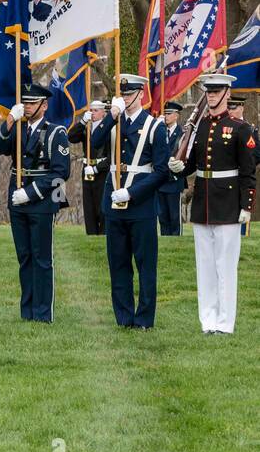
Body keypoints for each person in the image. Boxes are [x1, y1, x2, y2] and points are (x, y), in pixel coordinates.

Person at [170, 74, 257, 333]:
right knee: (205, 267)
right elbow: (192, 163)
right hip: (203, 202)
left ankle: (225, 323)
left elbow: (248, 171)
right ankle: (207, 320)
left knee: (226, 267)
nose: (210, 95)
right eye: (208, 90)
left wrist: (246, 206)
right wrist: (178, 167)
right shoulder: (200, 126)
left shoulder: (241, 128)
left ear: (227, 93)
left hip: (229, 203)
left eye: (216, 90)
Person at [90, 75, 170, 329]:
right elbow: (94, 143)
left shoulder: (154, 126)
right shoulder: (114, 122)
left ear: (141, 94)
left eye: (129, 93)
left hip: (141, 206)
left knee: (145, 265)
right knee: (118, 264)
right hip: (113, 203)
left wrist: (133, 193)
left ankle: (144, 318)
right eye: (122, 94)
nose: (125, 97)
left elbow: (161, 172)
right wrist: (112, 114)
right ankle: (124, 317)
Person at [0, 82, 71, 323]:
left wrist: (31, 192)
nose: (26, 107)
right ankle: (27, 311)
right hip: (16, 199)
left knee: (42, 258)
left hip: (42, 201)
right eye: (24, 103)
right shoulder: (18, 129)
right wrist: (8, 121)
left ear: (44, 105)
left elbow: (60, 172)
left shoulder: (56, 132)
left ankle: (43, 313)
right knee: (24, 257)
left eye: (32, 103)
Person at [68, 99, 110, 235]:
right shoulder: (86, 127)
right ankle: (91, 234)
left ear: (104, 113)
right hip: (87, 169)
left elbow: (112, 156)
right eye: (91, 110)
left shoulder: (110, 128)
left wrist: (97, 168)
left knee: (102, 205)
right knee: (89, 206)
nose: (92, 113)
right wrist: (82, 122)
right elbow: (71, 137)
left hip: (103, 170)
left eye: (96, 110)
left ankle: (103, 234)